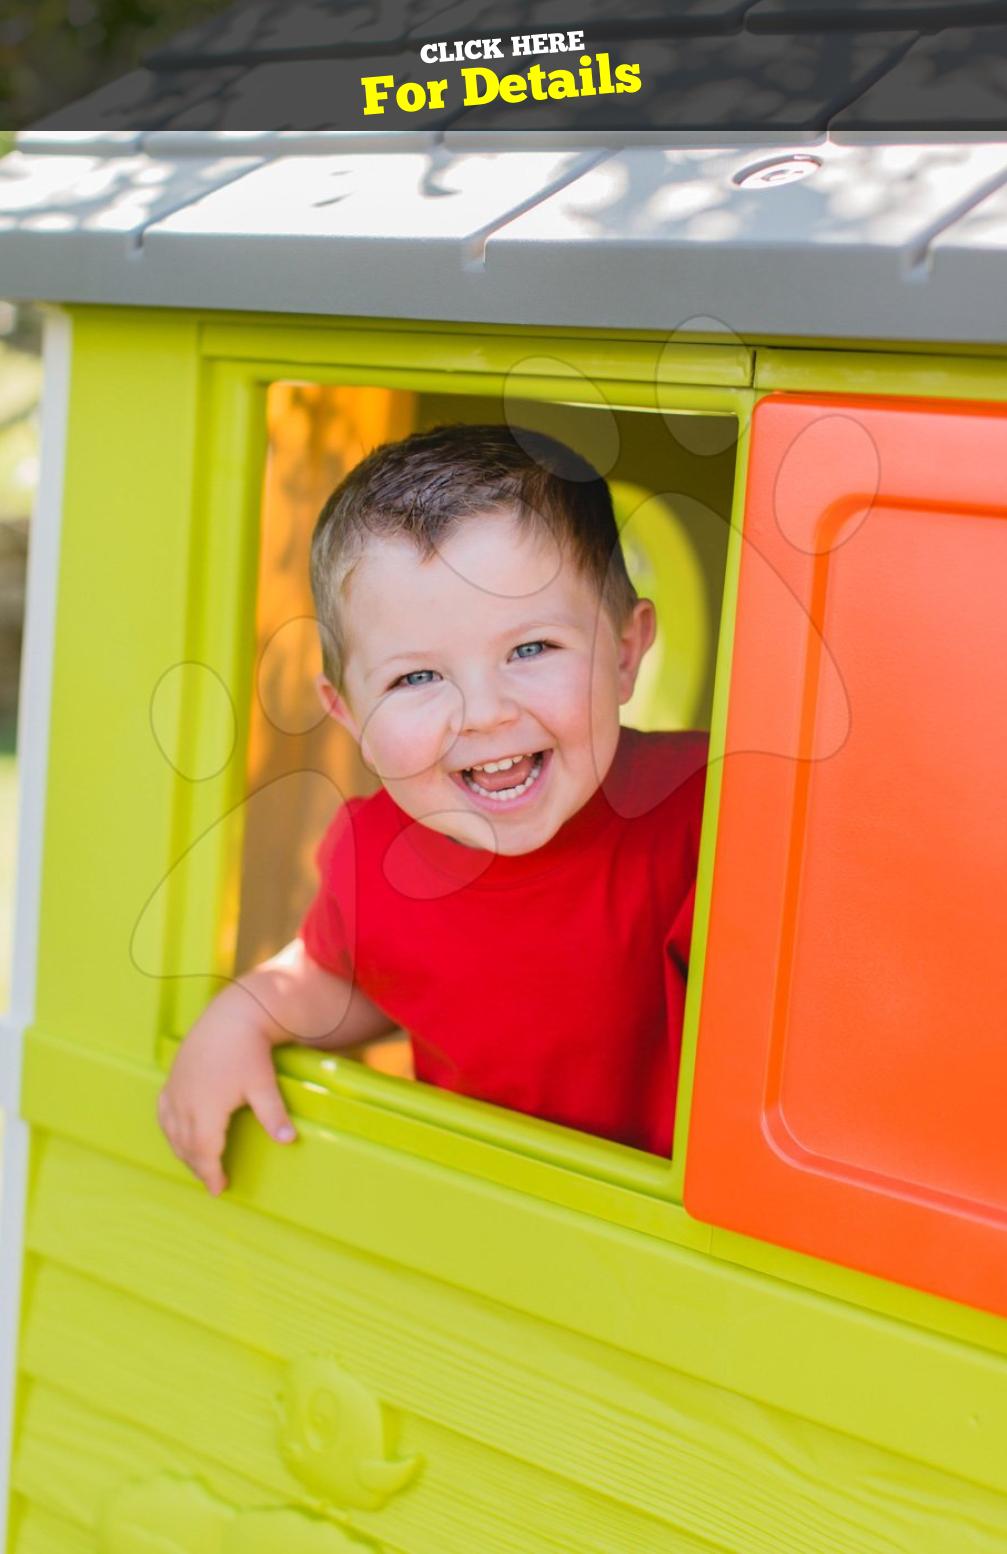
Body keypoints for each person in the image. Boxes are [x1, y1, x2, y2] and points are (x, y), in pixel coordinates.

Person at [157, 424, 708, 1194]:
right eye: (415, 678)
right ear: (348, 715)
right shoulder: (371, 853)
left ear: (622, 653)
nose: (481, 713)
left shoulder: (708, 809)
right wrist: (242, 1017)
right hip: (474, 1227)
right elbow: (343, 979)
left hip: (679, 1247)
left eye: (530, 650)